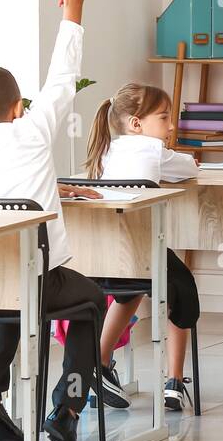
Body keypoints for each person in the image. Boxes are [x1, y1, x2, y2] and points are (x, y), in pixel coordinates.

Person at [0, 0, 107, 441]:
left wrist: (51, 191)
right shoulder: (32, 130)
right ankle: (66, 407)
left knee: (9, 297)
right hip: (33, 275)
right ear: (19, 108)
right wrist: (75, 6)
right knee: (90, 301)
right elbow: (63, 76)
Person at [83, 81, 201, 411]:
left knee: (129, 291)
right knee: (182, 287)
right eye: (164, 118)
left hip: (104, 256)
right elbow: (189, 168)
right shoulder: (153, 150)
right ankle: (174, 381)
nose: (172, 125)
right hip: (143, 251)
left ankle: (100, 363)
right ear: (137, 124)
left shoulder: (106, 152)